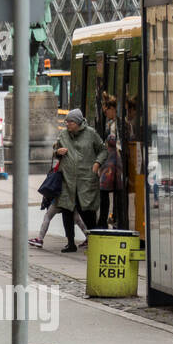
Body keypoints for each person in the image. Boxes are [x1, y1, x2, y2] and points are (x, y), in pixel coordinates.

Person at [53, 108, 106, 253]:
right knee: (66, 211)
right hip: (67, 180)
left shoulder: (91, 134)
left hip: (85, 179)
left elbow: (103, 150)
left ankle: (94, 241)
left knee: (87, 211)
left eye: (69, 121)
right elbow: (55, 151)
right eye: (66, 122)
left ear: (77, 122)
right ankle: (70, 243)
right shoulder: (63, 135)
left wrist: (97, 163)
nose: (67, 124)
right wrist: (57, 152)